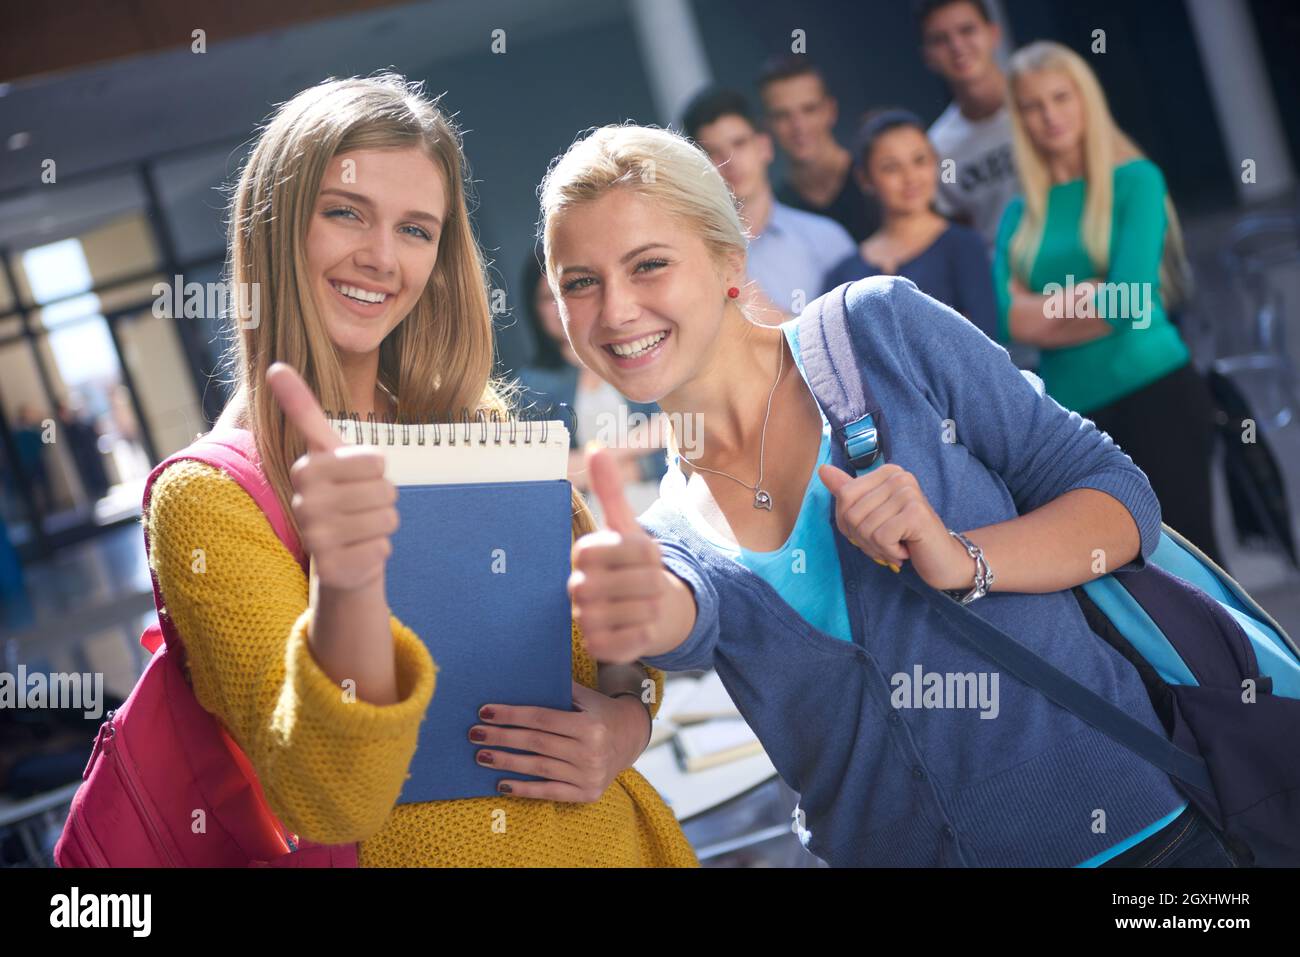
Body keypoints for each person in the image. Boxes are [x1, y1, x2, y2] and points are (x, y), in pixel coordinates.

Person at [538, 123, 1245, 868]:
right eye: (578, 282)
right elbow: (677, 613)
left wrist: (965, 556)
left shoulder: (878, 332)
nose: (614, 310)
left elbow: (1121, 499)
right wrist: (633, 648)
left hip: (1141, 847)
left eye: (648, 264)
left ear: (728, 261)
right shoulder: (665, 534)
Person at [143, 74, 696, 867]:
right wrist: (348, 582)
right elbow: (329, 799)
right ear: (274, 225)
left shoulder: (481, 430)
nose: (380, 257)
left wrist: (625, 721)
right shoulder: (209, 500)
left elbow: (617, 675)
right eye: (344, 212)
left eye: (415, 229)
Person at [993, 41, 1224, 570]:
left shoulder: (1135, 180)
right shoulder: (1016, 215)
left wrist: (1046, 306)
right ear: (1019, 118)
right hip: (1073, 419)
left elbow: (1134, 302)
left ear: (1086, 100)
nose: (1050, 115)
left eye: (1061, 97)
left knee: (1197, 566)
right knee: (1124, 579)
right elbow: (1009, 320)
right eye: (1033, 105)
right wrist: (1090, 293)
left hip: (1158, 395)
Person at [513, 250, 668, 517]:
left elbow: (685, 433)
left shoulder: (641, 353)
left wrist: (591, 467)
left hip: (661, 510)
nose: (561, 307)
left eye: (570, 292)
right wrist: (641, 444)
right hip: (587, 523)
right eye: (549, 298)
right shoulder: (531, 384)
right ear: (534, 309)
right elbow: (542, 471)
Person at [682, 86, 855, 319]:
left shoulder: (827, 239)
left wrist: (768, 316)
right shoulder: (689, 255)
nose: (729, 161)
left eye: (739, 143)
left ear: (764, 147)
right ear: (697, 166)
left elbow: (858, 336)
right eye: (713, 152)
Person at [825, 109, 997, 341]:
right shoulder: (844, 273)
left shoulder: (963, 246)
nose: (910, 177)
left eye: (919, 161)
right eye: (891, 167)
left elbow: (984, 341)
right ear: (865, 178)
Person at [757, 57, 881, 243]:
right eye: (783, 115)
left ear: (831, 110)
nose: (798, 126)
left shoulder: (878, 181)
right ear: (767, 125)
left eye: (809, 110)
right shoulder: (777, 212)